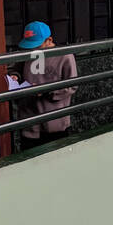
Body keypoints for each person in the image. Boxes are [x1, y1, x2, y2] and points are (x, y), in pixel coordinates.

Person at [16, 21, 78, 150]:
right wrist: (15, 76)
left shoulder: (65, 56)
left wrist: (47, 91)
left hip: (55, 122)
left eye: (37, 46)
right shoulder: (27, 53)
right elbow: (16, 68)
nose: (34, 50)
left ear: (49, 40)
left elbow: (72, 85)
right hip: (29, 120)